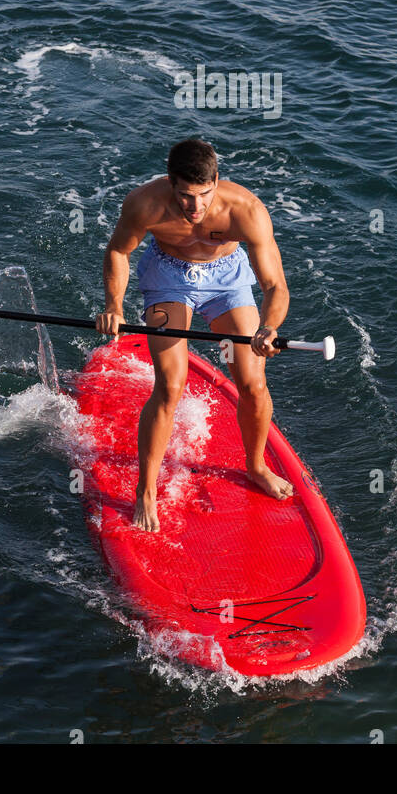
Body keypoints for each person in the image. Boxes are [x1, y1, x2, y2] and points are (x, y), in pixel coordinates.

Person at [96, 138, 292, 532]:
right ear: (171, 183)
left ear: (217, 181)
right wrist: (114, 307)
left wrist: (269, 328)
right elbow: (118, 251)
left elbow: (275, 286)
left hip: (228, 281)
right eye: (186, 196)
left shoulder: (247, 211)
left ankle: (255, 466)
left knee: (253, 382)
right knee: (171, 385)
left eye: (204, 195)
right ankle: (146, 491)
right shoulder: (145, 204)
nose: (195, 208)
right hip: (168, 277)